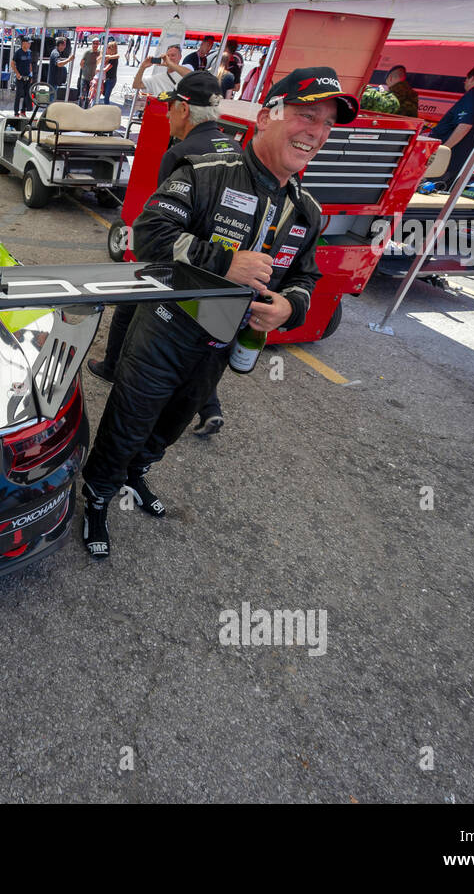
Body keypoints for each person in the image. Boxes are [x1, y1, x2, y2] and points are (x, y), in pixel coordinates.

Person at [78, 67, 358, 558]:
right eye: (307, 115)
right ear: (269, 116)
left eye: (328, 124)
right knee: (128, 424)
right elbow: (149, 235)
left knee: (171, 427)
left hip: (217, 346)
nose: (317, 131)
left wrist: (289, 308)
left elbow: (305, 278)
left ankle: (136, 478)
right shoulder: (208, 172)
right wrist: (225, 262)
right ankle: (98, 497)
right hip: (164, 332)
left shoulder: (307, 210)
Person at [88, 70, 241, 432]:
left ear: (184, 109)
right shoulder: (234, 147)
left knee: (130, 306)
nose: (168, 114)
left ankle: (113, 369)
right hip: (220, 265)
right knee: (206, 336)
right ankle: (208, 408)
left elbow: (164, 221)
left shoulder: (181, 153)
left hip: (181, 262)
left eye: (170, 107)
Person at [10, 36, 35, 117]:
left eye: (30, 43)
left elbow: (30, 64)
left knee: (27, 95)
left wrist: (31, 75)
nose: (29, 44)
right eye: (28, 43)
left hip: (28, 77)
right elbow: (12, 64)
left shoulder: (29, 52)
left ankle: (23, 111)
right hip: (20, 78)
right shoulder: (18, 52)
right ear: (23, 43)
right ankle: (16, 113)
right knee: (18, 95)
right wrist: (17, 74)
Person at [77, 38, 100, 108]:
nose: (95, 45)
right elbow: (81, 63)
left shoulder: (99, 53)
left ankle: (86, 109)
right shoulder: (87, 52)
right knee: (82, 95)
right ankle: (79, 108)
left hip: (93, 79)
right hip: (85, 77)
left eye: (97, 43)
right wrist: (84, 70)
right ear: (92, 44)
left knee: (89, 96)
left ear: (98, 44)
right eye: (94, 43)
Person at [49, 36, 72, 101]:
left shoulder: (56, 52)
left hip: (55, 81)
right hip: (53, 81)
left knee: (52, 99)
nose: (64, 47)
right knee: (51, 100)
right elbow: (59, 64)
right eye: (63, 45)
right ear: (59, 45)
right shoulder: (55, 53)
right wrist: (69, 60)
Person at [101, 38, 120, 105]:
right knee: (103, 93)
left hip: (111, 80)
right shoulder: (111, 57)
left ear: (113, 49)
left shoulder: (114, 58)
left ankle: (107, 111)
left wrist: (99, 70)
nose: (107, 49)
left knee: (106, 97)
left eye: (108, 47)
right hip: (108, 79)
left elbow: (106, 69)